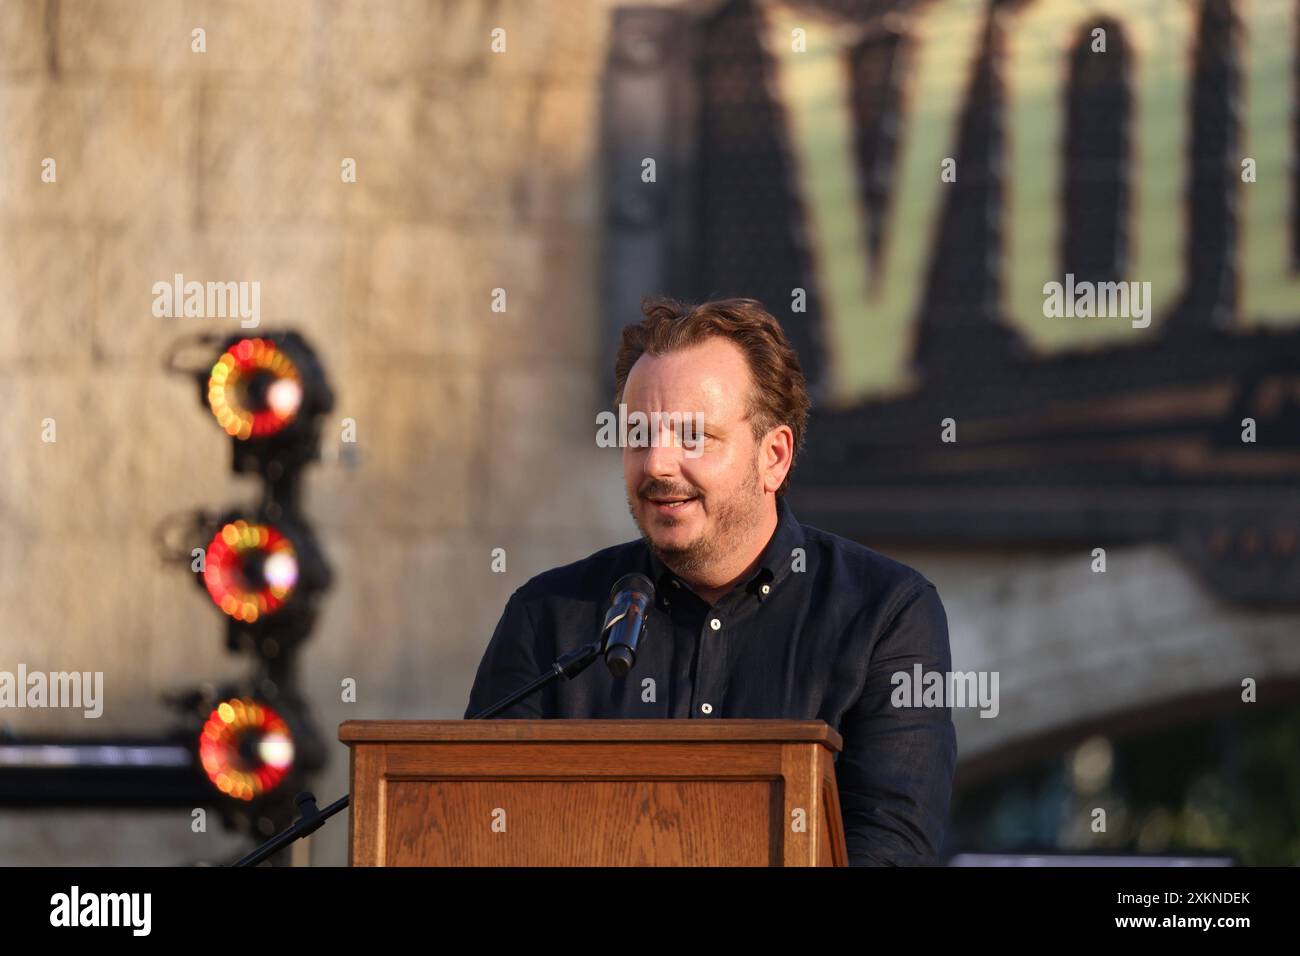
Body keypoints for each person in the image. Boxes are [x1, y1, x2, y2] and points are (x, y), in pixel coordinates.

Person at [465, 295, 957, 865]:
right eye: (640, 435)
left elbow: (889, 849)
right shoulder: (547, 614)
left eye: (692, 437)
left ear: (773, 456)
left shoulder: (887, 614)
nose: (656, 465)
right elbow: (480, 829)